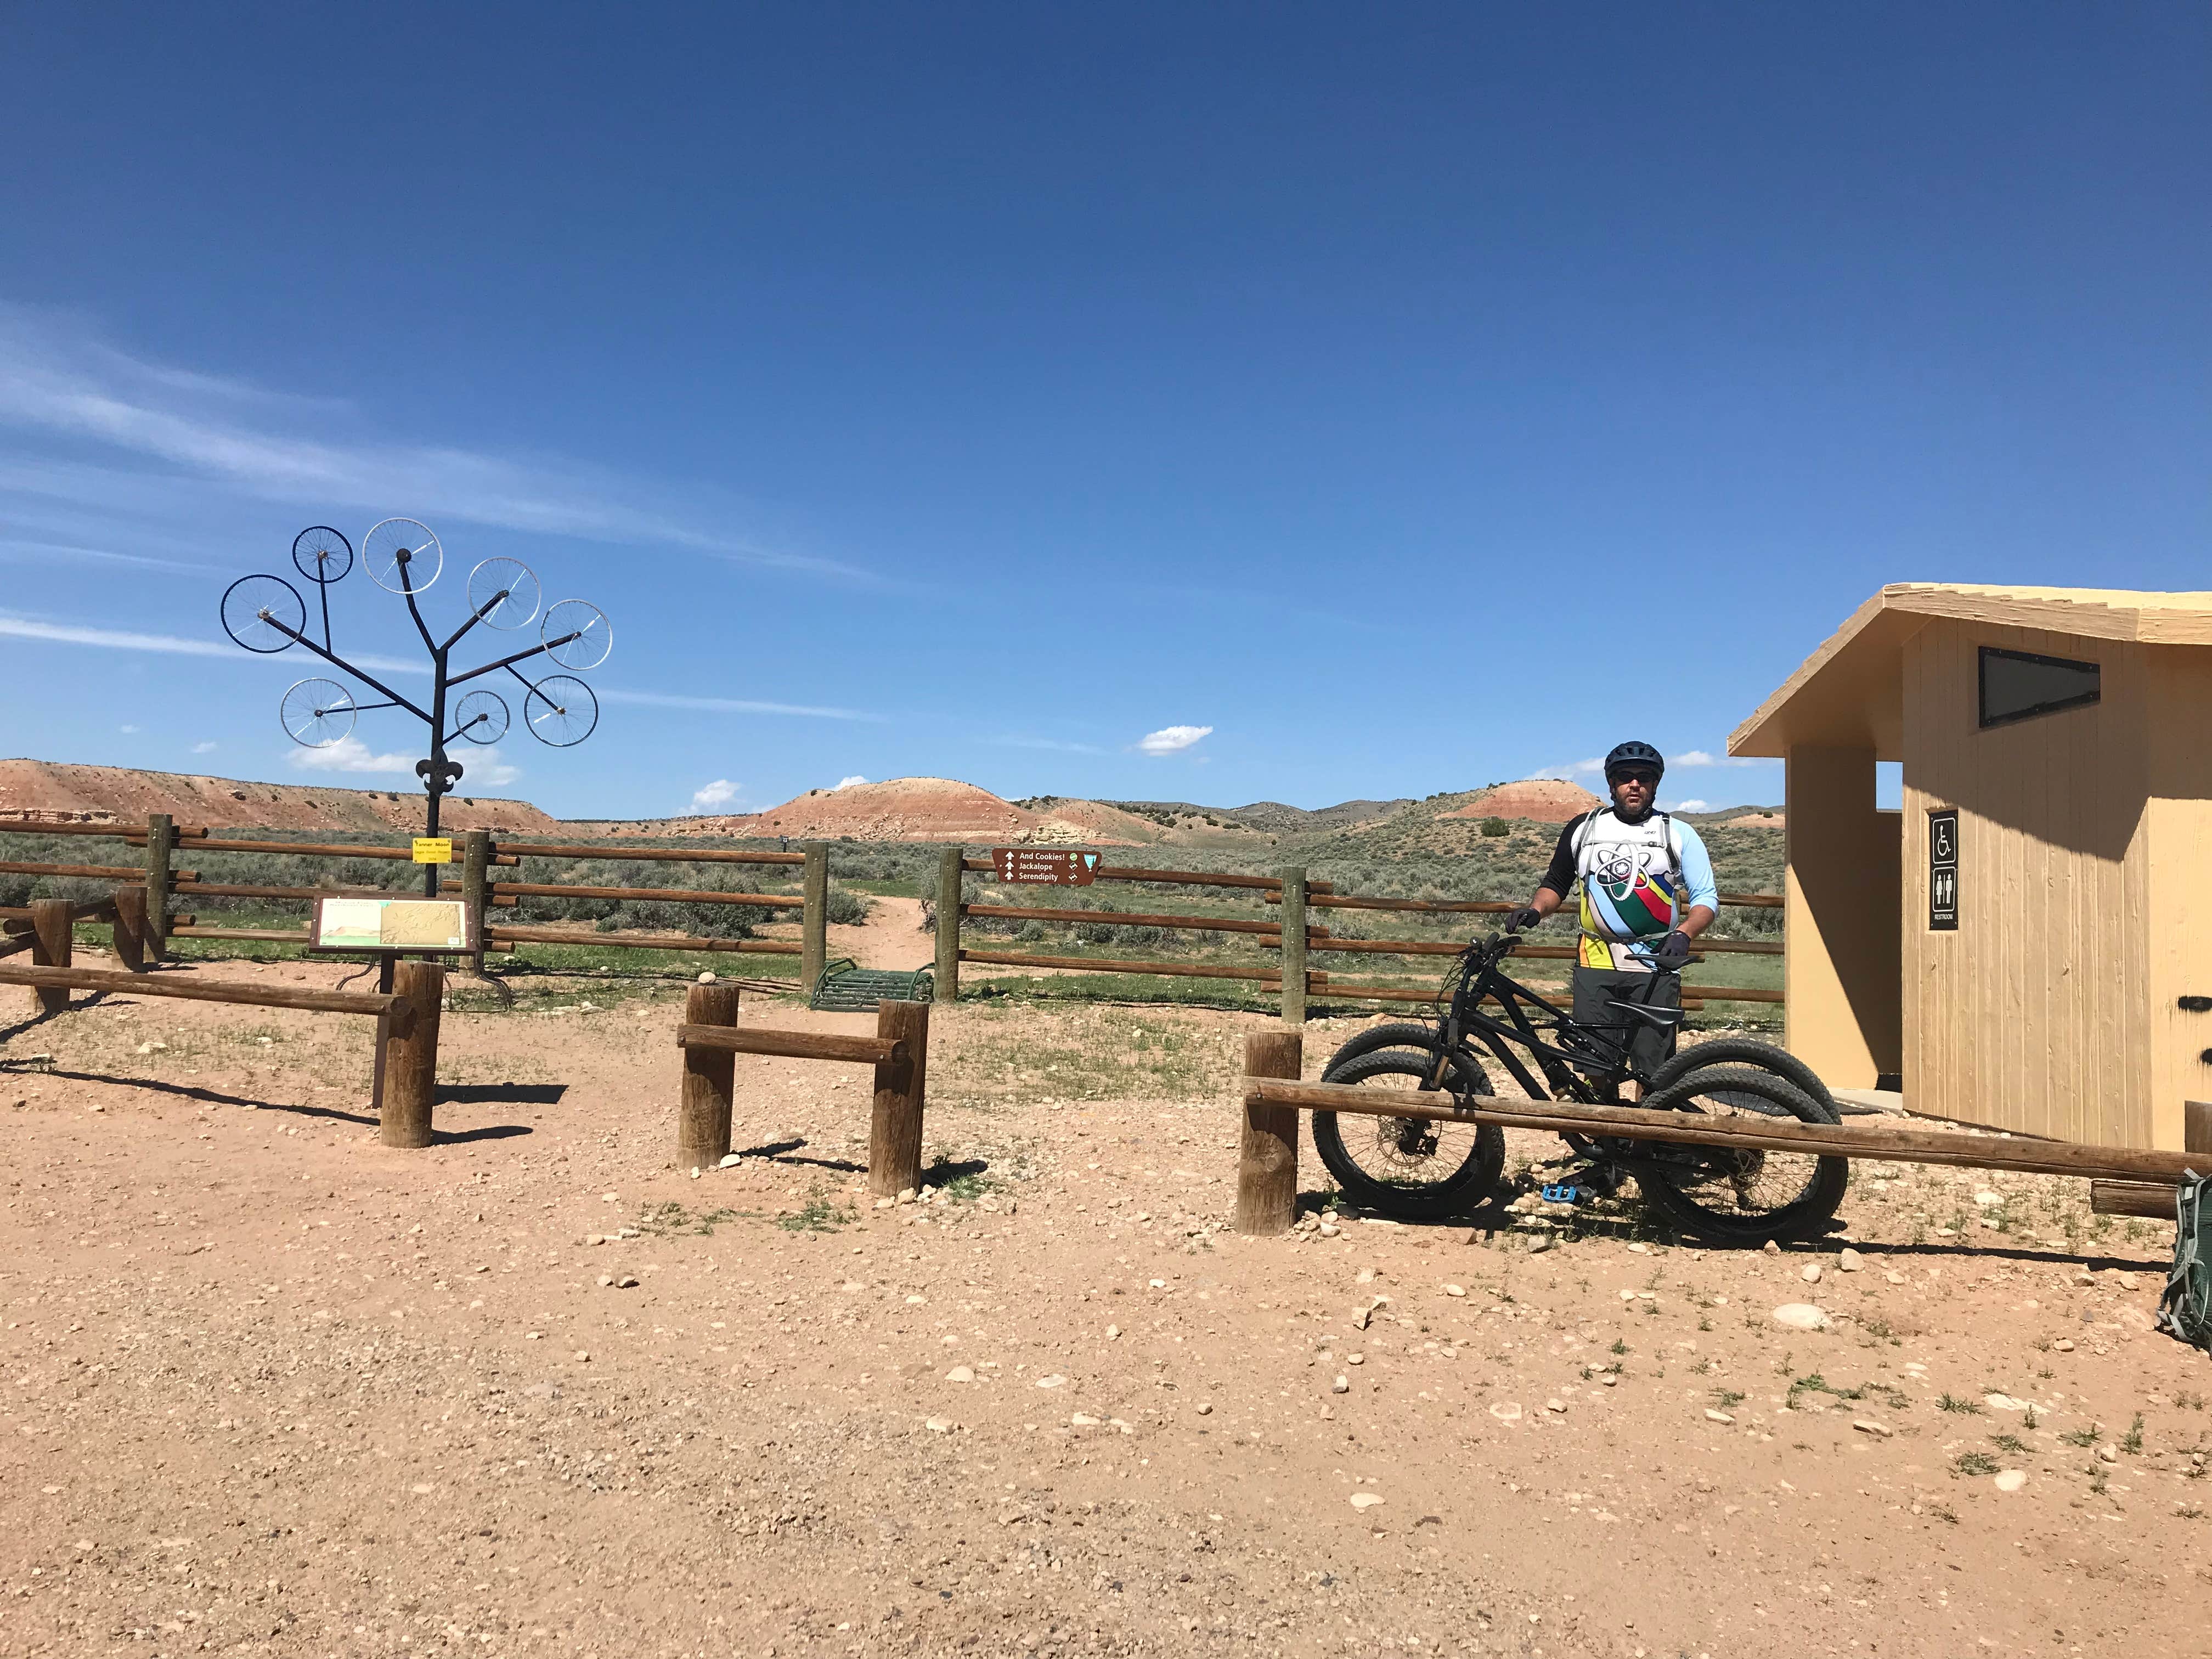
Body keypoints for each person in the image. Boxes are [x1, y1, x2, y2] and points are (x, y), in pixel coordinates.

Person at [1504, 741, 1719, 1089]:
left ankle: (1648, 1141)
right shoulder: (1583, 829)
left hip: (1654, 962)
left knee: (1654, 1070)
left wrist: (1685, 933)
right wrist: (1534, 911)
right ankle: (1605, 1139)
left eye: (1644, 778)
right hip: (1596, 961)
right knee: (1595, 1063)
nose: (1635, 785)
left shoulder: (1677, 833)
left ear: (1655, 785)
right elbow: (1556, 884)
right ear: (1611, 784)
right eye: (1625, 777)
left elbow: (1705, 897)